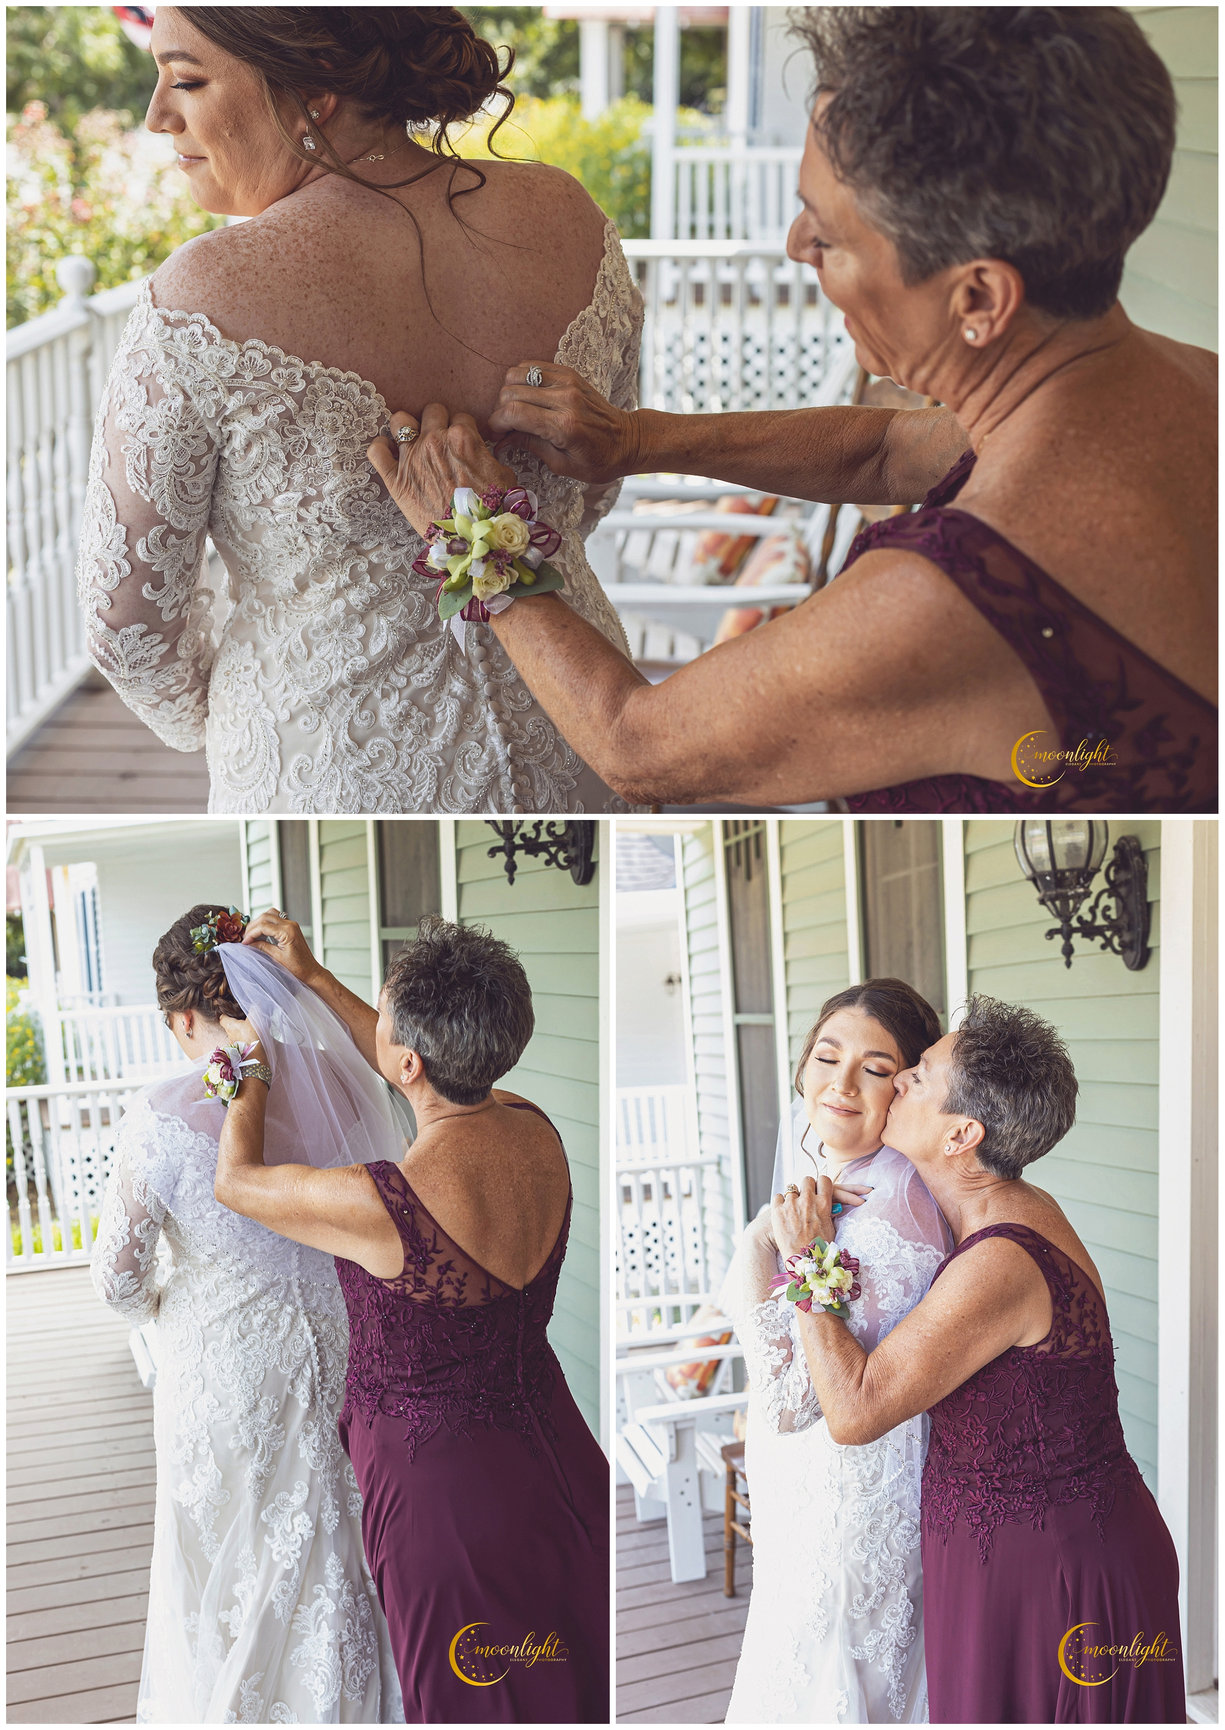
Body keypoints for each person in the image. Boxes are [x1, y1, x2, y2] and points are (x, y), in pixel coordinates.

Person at [372, 7, 1216, 813]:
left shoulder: (949, 598)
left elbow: (637, 748)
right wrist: (634, 439)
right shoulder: (1188, 386)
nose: (794, 245)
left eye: (829, 231)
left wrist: (477, 536)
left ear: (980, 296)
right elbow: (886, 450)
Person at [77, 6, 642, 814]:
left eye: (187, 80)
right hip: (579, 716)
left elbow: (128, 630)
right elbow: (592, 487)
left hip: (329, 758)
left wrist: (261, 703)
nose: (157, 117)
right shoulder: (568, 216)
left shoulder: (199, 298)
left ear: (314, 85)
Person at [209, 910, 609, 1723]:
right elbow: (415, 1066)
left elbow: (237, 1182)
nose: (378, 1029)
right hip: (559, 1461)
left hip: (448, 1514)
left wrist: (244, 1067)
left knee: (469, 1701)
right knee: (566, 1682)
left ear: (410, 1059)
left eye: (384, 1016)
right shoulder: (536, 1128)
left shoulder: (381, 1203)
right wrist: (315, 977)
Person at [770, 996, 1185, 1723]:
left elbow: (854, 1410)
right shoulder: (1005, 1206)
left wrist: (807, 1257)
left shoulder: (997, 1263)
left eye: (916, 1078)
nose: (895, 1080)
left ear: (961, 1133)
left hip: (1058, 1578)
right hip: (1010, 1557)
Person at [90, 904, 403, 1723]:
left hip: (222, 1370)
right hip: (335, 1353)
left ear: (181, 1016)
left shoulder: (160, 1116)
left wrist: (162, 1299)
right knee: (330, 1551)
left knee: (230, 1568)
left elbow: (117, 1280)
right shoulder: (336, 1077)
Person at [719, 981, 952, 1723]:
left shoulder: (888, 1218)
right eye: (827, 1056)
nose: (840, 1084)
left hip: (849, 1512)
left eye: (875, 1068)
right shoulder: (838, 1185)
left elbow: (791, 1402)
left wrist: (770, 1241)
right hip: (806, 1502)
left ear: (908, 1087)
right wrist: (775, 1234)